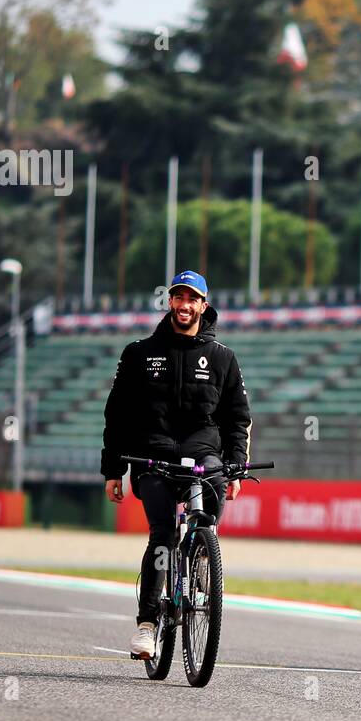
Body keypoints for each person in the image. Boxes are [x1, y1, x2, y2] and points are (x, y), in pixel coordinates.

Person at [99, 270, 251, 659]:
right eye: (177, 298)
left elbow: (237, 418)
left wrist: (234, 467)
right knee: (163, 533)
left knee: (210, 502)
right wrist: (113, 470)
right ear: (169, 302)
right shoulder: (138, 353)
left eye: (192, 299)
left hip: (203, 453)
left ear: (204, 305)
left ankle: (201, 554)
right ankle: (148, 624)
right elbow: (117, 415)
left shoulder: (223, 358)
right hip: (152, 455)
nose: (184, 305)